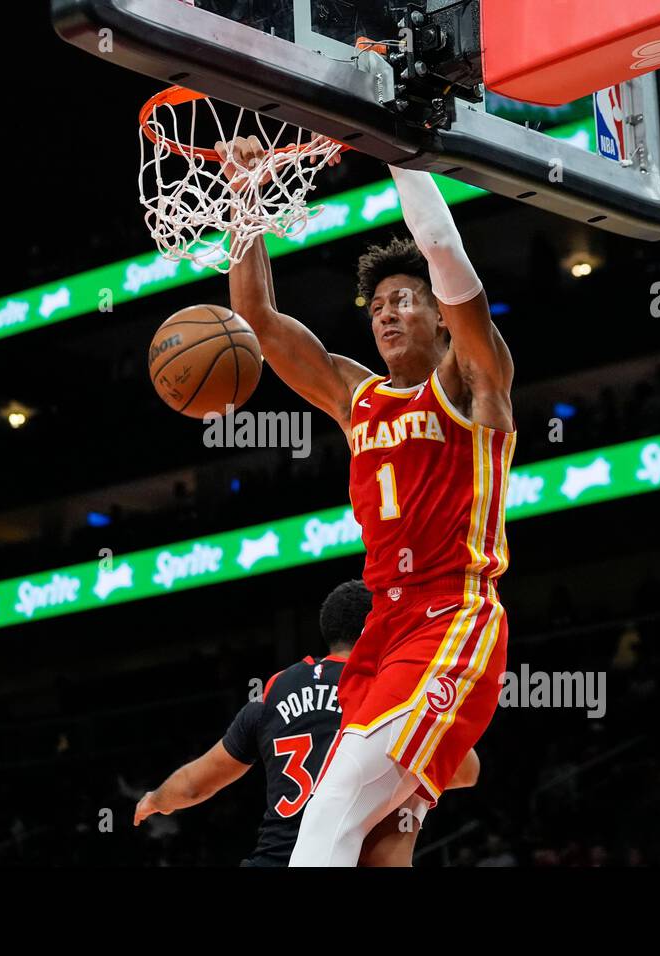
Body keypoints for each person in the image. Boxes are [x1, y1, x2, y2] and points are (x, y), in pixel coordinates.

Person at [221, 138, 515, 866]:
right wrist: (245, 195)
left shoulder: (474, 382)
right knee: (378, 848)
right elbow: (257, 317)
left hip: (452, 614)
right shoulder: (358, 401)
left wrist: (395, 146)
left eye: (405, 300)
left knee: (327, 824)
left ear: (440, 316)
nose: (386, 314)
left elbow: (443, 248)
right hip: (385, 629)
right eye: (378, 305)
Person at [133, 579, 479, 865]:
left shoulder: (274, 691)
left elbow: (196, 784)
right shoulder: (390, 694)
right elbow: (466, 772)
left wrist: (156, 799)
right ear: (376, 631)